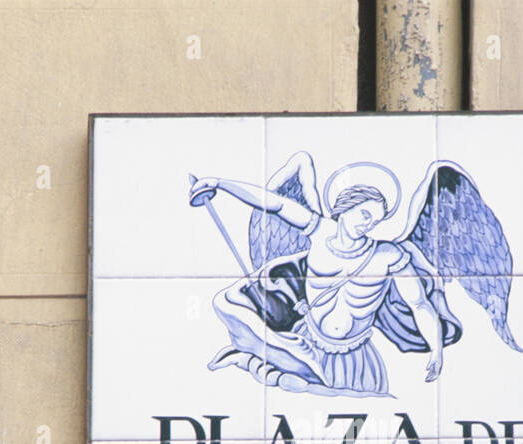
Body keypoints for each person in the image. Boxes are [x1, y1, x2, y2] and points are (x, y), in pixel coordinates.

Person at [190, 153, 459, 397]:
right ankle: (243, 358)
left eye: (375, 221)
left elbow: (419, 304)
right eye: (365, 214)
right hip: (307, 344)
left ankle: (244, 360)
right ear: (345, 207)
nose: (368, 224)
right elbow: (275, 204)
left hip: (357, 360)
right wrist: (221, 183)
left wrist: (436, 349)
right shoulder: (318, 231)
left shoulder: (388, 255)